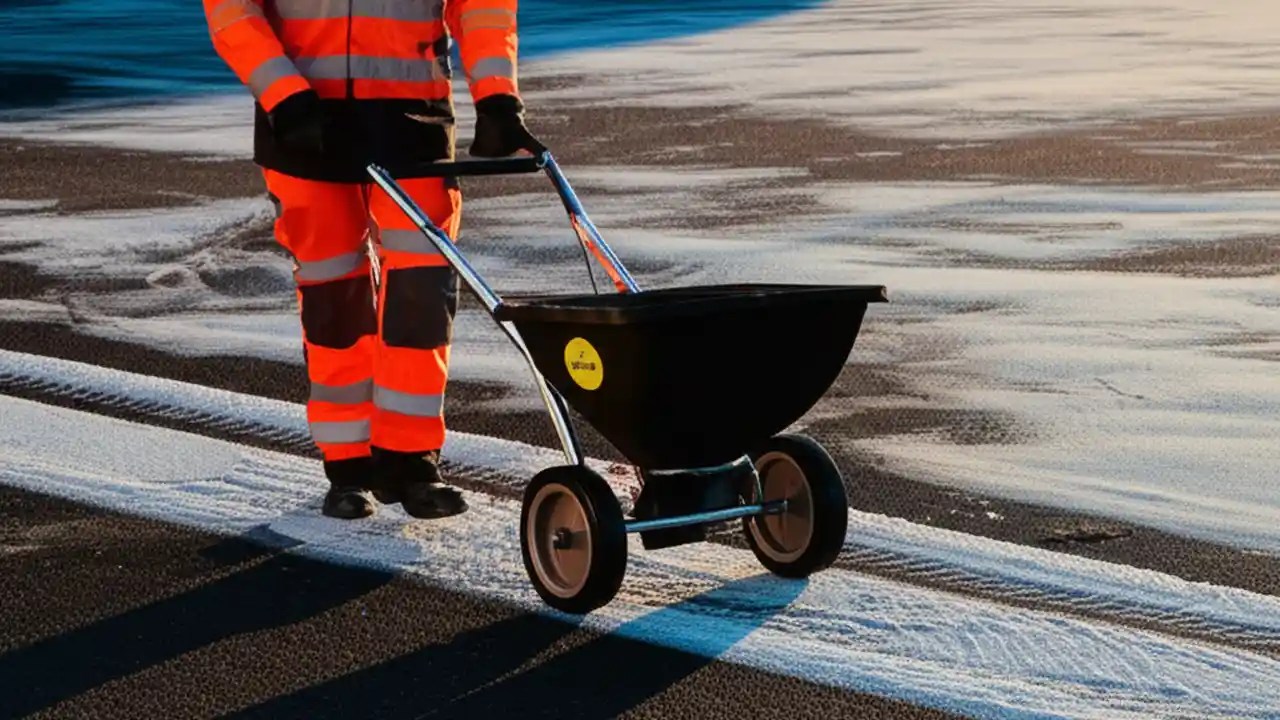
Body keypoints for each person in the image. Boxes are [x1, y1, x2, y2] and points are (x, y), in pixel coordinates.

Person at [201, 0, 543, 520]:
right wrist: (282, 94)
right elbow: (232, 11)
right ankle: (349, 466)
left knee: (422, 289)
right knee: (332, 292)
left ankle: (412, 458)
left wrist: (497, 96)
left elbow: (482, 6)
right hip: (301, 120)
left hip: (413, 119)